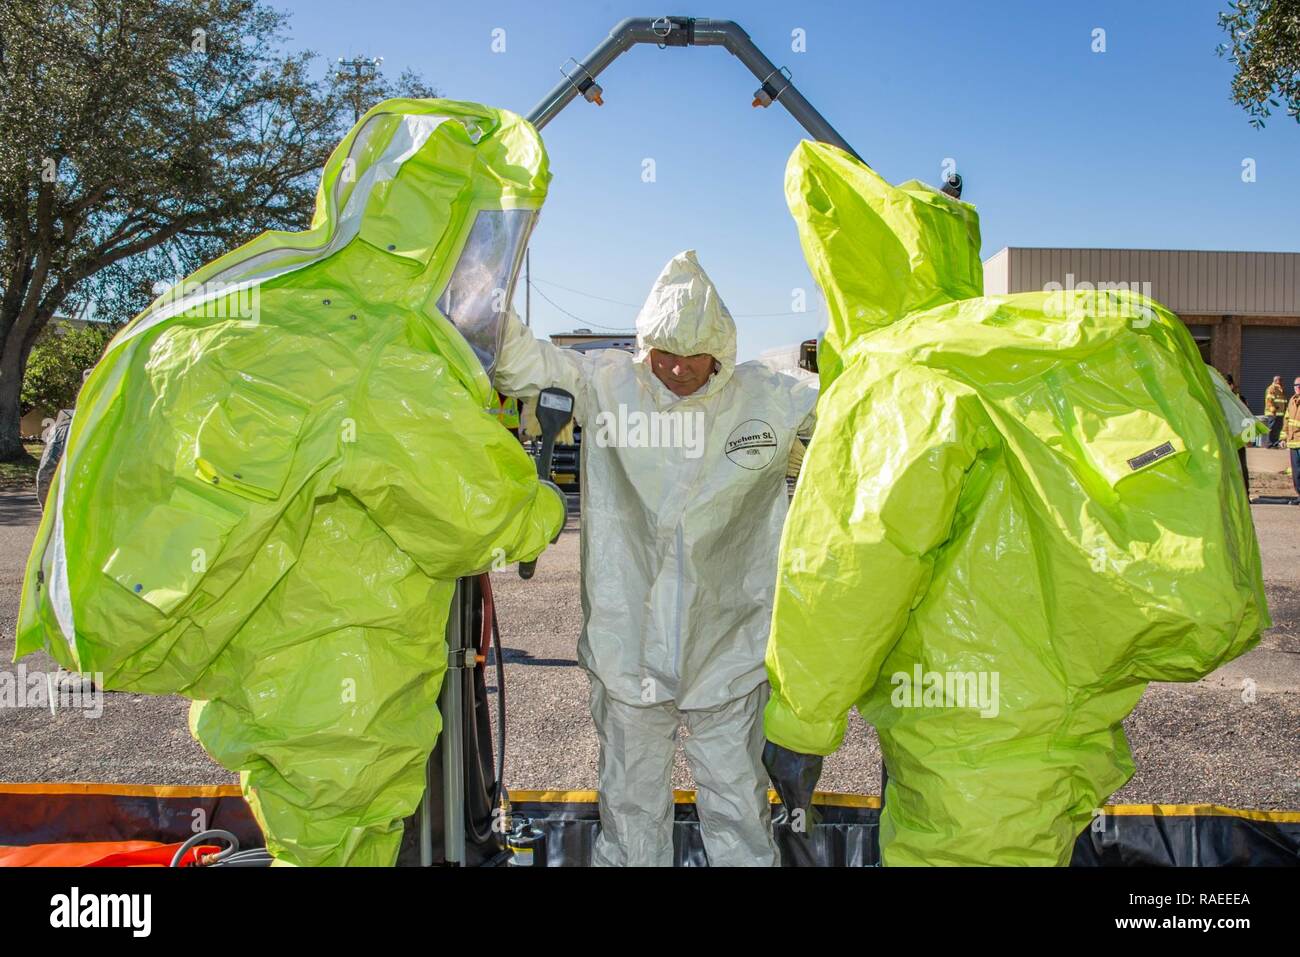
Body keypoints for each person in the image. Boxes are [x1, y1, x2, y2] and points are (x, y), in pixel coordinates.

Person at [762, 140, 1267, 867]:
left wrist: (799, 721)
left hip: (967, 735)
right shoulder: (1007, 356)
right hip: (1064, 713)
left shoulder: (898, 371)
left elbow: (851, 562)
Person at [492, 250, 818, 866]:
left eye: (693, 356)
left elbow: (861, 408)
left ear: (720, 349)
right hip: (629, 645)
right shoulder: (608, 385)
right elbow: (521, 360)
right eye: (664, 354)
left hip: (729, 647)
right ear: (646, 346)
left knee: (737, 803)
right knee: (631, 804)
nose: (676, 369)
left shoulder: (767, 398)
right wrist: (483, 283)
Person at [1284, 376, 1300, 505]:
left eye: (1299, 385)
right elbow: (1286, 419)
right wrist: (1283, 437)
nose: (1298, 387)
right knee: (1296, 472)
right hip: (1293, 442)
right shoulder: (1292, 400)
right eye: (1296, 385)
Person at [1265, 375, 1286, 447]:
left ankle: (1275, 442)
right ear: (1276, 380)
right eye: (1280, 380)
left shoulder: (1281, 389)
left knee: (1278, 428)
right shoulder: (1271, 388)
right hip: (1273, 413)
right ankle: (1269, 443)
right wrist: (1273, 410)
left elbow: (1283, 401)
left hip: (1280, 413)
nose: (1282, 382)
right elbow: (1269, 400)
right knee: (1272, 428)